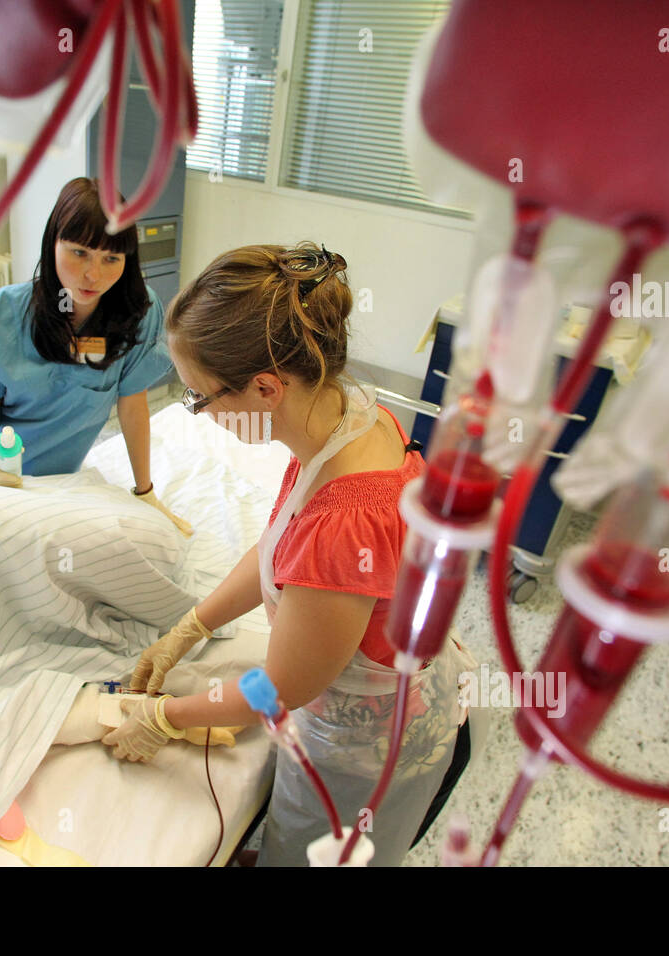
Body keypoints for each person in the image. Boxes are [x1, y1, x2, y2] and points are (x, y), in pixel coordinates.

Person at [102, 242, 475, 866]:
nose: (200, 413)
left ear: (266, 387)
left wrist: (166, 718)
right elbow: (280, 542)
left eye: (201, 398)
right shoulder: (347, 414)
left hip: (370, 749)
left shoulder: (346, 522)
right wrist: (192, 626)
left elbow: (281, 688)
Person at [0, 177, 191, 535]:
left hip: (58, 481)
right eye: (79, 252)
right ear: (53, 243)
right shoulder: (5, 312)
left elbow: (132, 402)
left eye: (111, 258)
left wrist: (145, 492)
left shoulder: (138, 313)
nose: (93, 274)